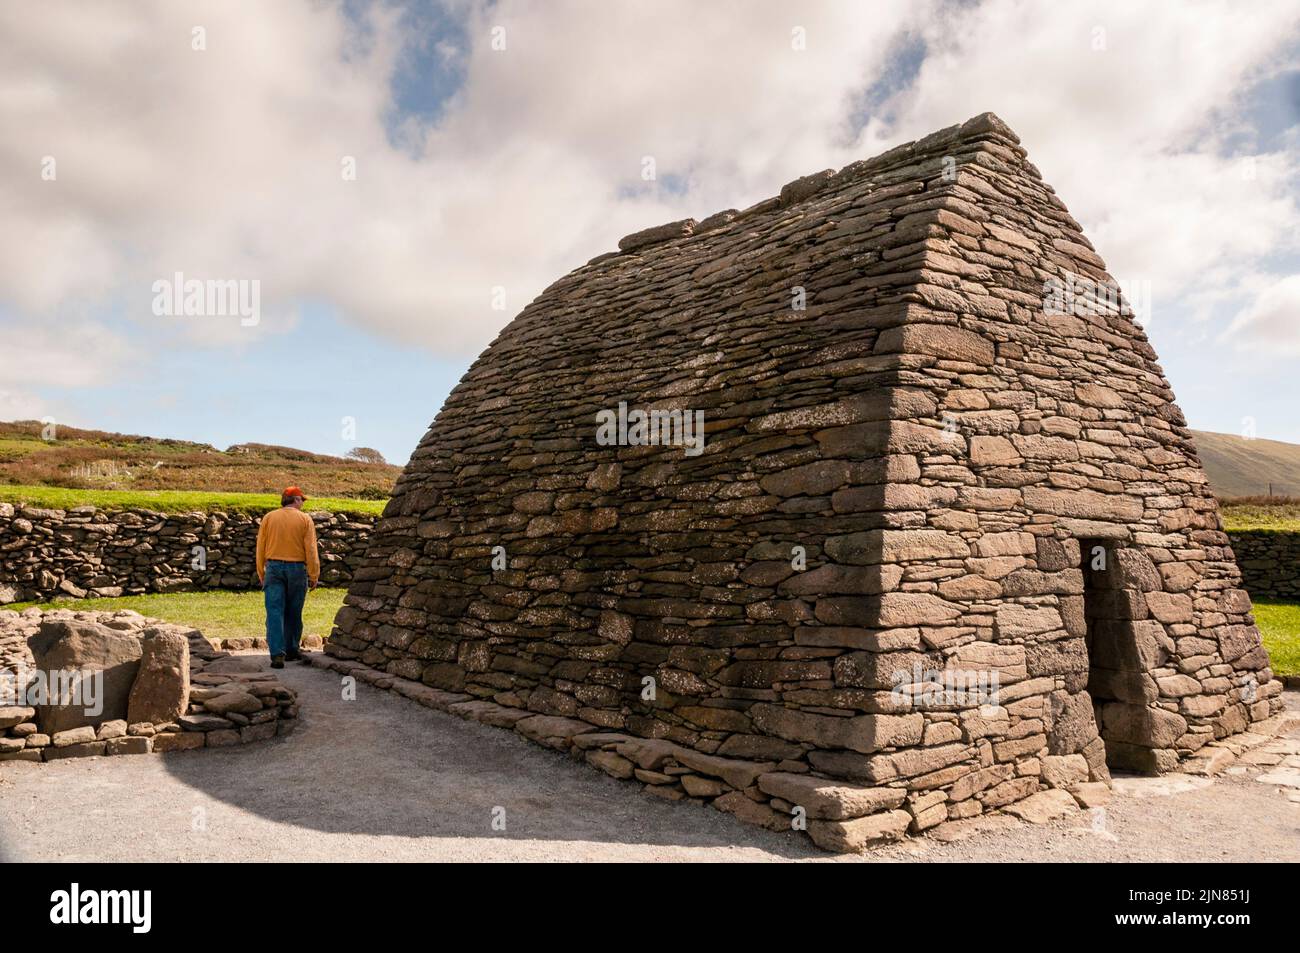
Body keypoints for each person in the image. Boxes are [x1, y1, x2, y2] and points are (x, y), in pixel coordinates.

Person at [255, 486, 320, 669]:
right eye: (302, 500)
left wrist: (261, 571)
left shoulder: (269, 517)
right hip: (297, 568)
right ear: (296, 499)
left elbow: (261, 546)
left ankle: (277, 654)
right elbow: (311, 550)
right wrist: (314, 574)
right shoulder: (305, 519)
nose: (303, 503)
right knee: (294, 610)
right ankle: (292, 649)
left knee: (274, 611)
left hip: (273, 568)